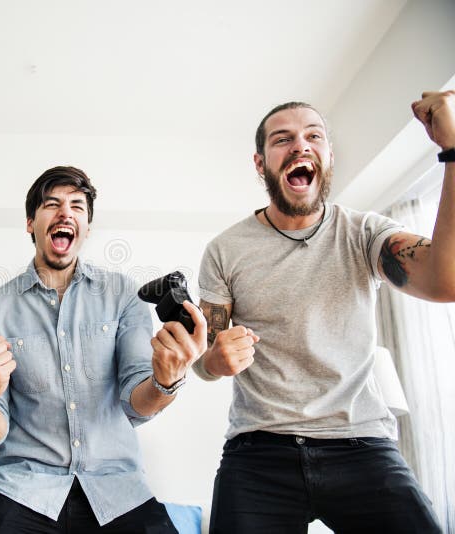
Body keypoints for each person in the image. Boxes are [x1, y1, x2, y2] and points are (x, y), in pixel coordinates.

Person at [192, 90, 455, 533]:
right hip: (259, 454)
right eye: (283, 139)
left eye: (313, 136)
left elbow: (445, 281)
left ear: (328, 156)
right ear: (261, 164)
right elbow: (204, 359)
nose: (300, 146)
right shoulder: (225, 250)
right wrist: (214, 362)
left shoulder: (365, 233)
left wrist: (452, 150)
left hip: (362, 445)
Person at [0, 165, 207, 533]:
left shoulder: (124, 296)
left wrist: (166, 382)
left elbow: (135, 404)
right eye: (52, 204)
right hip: (23, 488)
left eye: (77, 206)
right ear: (31, 223)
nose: (65, 213)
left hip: (117, 487)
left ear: (87, 229)